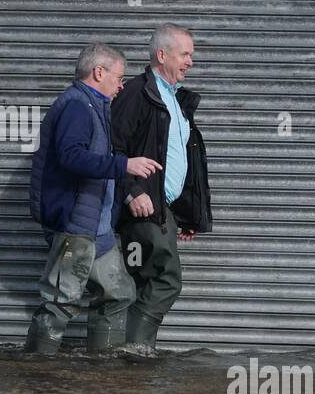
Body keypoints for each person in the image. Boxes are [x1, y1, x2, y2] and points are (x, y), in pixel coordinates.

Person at [25, 42, 163, 354]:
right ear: (98, 72)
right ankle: (34, 374)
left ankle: (103, 368)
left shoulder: (95, 107)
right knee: (62, 301)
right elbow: (71, 156)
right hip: (76, 226)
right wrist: (124, 165)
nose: (122, 85)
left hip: (97, 228)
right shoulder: (76, 106)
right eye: (118, 77)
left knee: (119, 293)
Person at [111, 23, 214, 350]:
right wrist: (131, 190)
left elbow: (179, 162)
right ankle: (134, 350)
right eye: (185, 54)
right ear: (161, 54)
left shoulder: (175, 100)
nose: (190, 62)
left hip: (161, 207)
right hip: (142, 207)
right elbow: (112, 147)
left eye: (191, 55)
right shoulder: (137, 94)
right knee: (166, 280)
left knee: (144, 282)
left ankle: (128, 352)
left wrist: (185, 214)